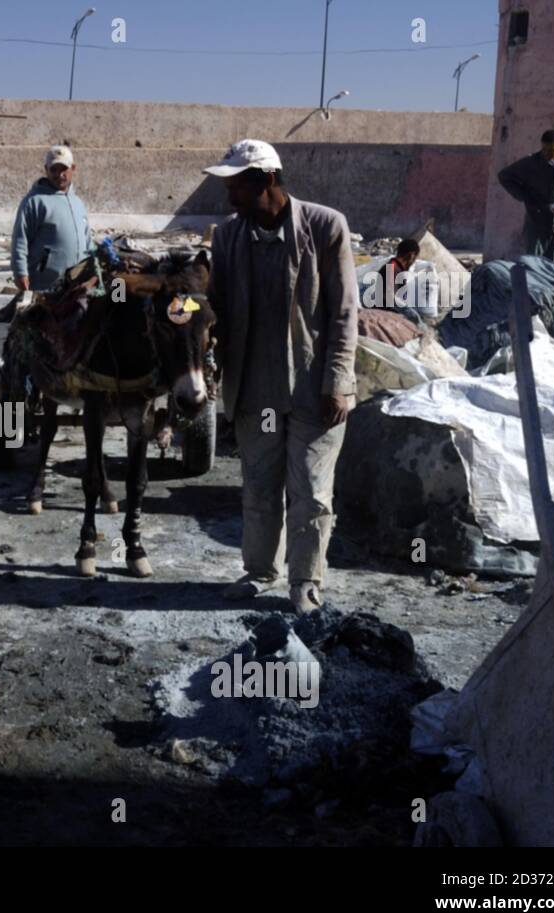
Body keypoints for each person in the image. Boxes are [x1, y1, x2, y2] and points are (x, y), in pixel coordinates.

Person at [203, 139, 358, 614]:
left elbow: (344, 312)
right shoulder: (229, 236)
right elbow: (216, 305)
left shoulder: (325, 226)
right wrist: (186, 311)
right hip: (256, 389)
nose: (229, 196)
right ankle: (259, 571)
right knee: (259, 485)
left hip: (313, 389)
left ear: (267, 180)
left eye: (236, 185)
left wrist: (338, 381)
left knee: (310, 491)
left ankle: (305, 582)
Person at [10, 145, 92, 292]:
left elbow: (87, 239)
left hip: (76, 286)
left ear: (73, 168)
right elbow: (20, 239)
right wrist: (20, 272)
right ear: (46, 169)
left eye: (63, 169)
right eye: (54, 169)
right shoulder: (34, 201)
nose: (59, 174)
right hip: (44, 286)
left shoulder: (78, 203)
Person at [497, 129, 554, 263]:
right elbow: (504, 176)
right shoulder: (532, 162)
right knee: (534, 263)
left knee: (550, 266)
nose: (546, 154)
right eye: (544, 149)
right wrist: (524, 196)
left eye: (551, 150)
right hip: (536, 222)